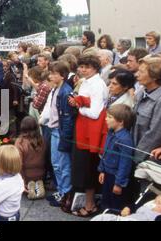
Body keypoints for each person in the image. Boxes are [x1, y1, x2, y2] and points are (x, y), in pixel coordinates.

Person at [69, 55, 109, 217]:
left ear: (95, 68)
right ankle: (88, 202)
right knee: (84, 170)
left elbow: (94, 113)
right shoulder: (86, 81)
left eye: (87, 67)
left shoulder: (98, 84)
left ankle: (90, 205)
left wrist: (78, 105)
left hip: (90, 132)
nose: (83, 69)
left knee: (89, 171)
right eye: (81, 66)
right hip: (83, 130)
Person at [133, 57, 161, 164]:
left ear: (155, 77)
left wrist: (135, 159)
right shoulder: (142, 91)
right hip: (132, 151)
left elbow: (154, 135)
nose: (136, 74)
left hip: (146, 159)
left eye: (141, 72)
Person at [46, 61, 76, 211]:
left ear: (62, 76)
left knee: (63, 165)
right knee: (56, 164)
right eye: (50, 73)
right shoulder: (56, 89)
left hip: (60, 132)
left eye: (54, 74)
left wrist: (65, 138)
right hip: (54, 130)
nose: (50, 76)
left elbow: (68, 119)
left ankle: (66, 193)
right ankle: (61, 191)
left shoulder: (65, 91)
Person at [98, 104, 135, 211]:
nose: (106, 119)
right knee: (105, 202)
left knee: (115, 206)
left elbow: (125, 163)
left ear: (121, 121)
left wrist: (119, 183)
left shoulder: (125, 139)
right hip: (108, 174)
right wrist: (102, 170)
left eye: (109, 117)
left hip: (116, 177)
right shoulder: (111, 133)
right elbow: (105, 153)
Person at [0, 145, 24, 221]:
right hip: (15, 213)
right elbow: (7, 192)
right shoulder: (18, 176)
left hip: (3, 217)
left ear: (2, 166)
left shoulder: (2, 184)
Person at [14, 117, 46, 200]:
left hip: (26, 177)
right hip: (41, 175)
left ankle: (29, 186)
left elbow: (18, 164)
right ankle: (38, 184)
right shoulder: (42, 140)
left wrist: (22, 181)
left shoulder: (20, 142)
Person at [91, 195, 161, 221]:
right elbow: (134, 206)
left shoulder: (160, 217)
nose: (154, 204)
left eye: (159, 203)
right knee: (102, 217)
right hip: (122, 219)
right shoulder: (145, 207)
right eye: (155, 201)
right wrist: (128, 208)